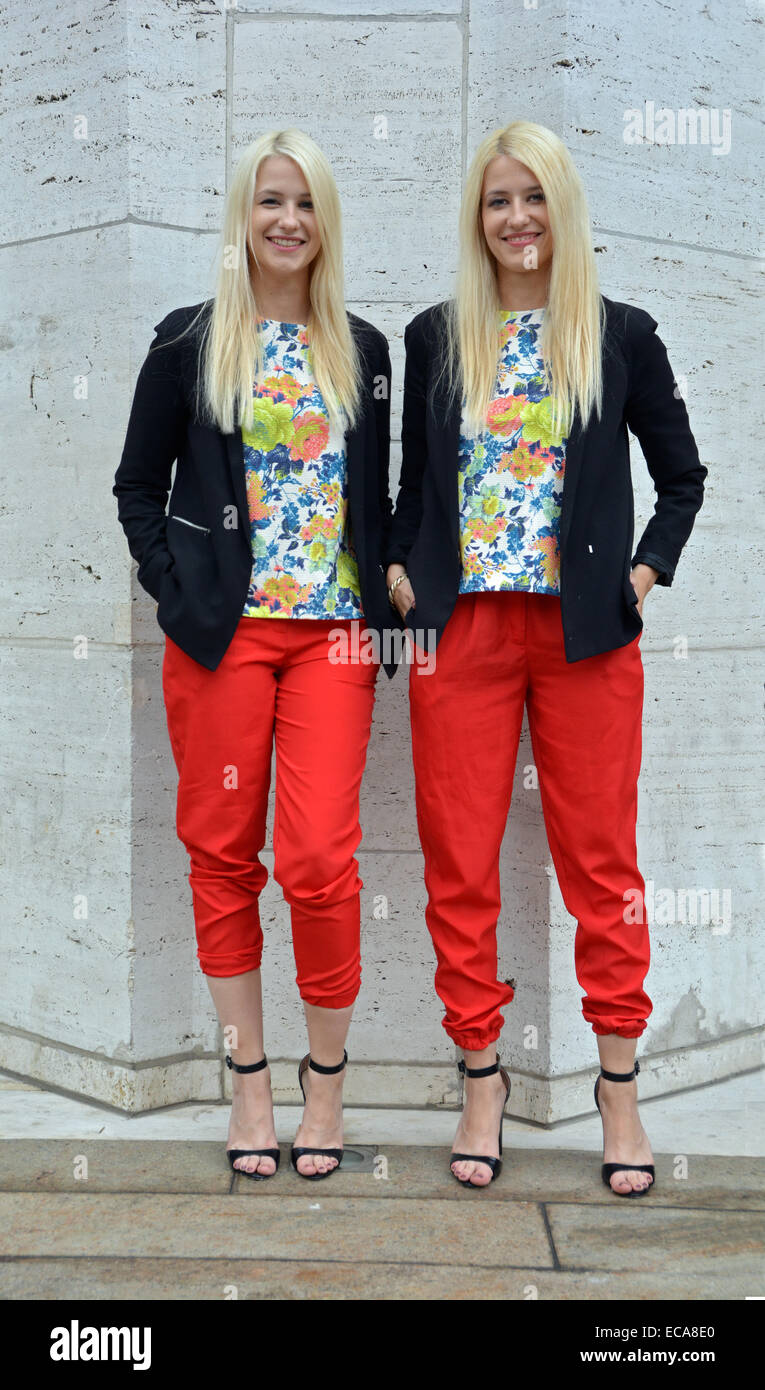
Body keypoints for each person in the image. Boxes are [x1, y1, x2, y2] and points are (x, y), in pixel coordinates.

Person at [385, 121, 706, 1194]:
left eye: (532, 196)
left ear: (561, 208)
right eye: (495, 200)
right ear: (476, 221)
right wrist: (400, 569)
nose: (515, 217)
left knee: (601, 865)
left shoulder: (620, 333)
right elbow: (412, 488)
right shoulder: (439, 337)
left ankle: (619, 1089)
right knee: (460, 861)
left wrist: (645, 571)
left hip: (585, 637)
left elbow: (683, 475)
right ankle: (483, 1075)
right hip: (467, 629)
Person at [113, 129, 395, 1182]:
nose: (287, 220)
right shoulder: (187, 343)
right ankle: (248, 1079)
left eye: (306, 204)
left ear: (325, 224)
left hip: (334, 635)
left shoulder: (363, 350)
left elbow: (373, 498)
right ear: (244, 215)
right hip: (223, 639)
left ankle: (325, 1083)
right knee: (222, 852)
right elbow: (137, 487)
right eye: (270, 200)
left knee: (318, 859)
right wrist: (175, 593)